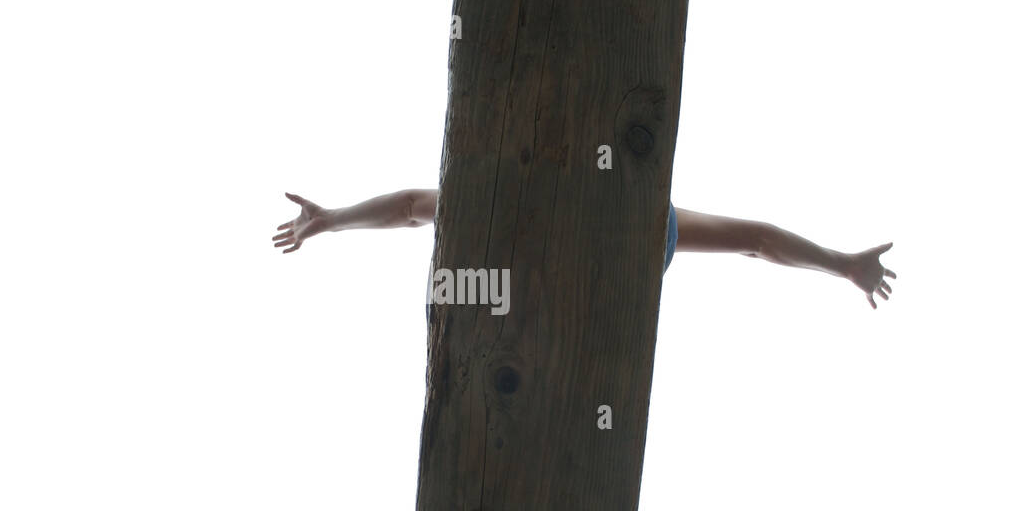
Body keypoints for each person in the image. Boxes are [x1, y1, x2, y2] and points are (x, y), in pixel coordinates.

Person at [271, 189, 895, 309]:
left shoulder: (646, 228)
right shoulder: (513, 220)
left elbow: (756, 242)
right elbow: (412, 208)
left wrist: (842, 265)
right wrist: (328, 222)